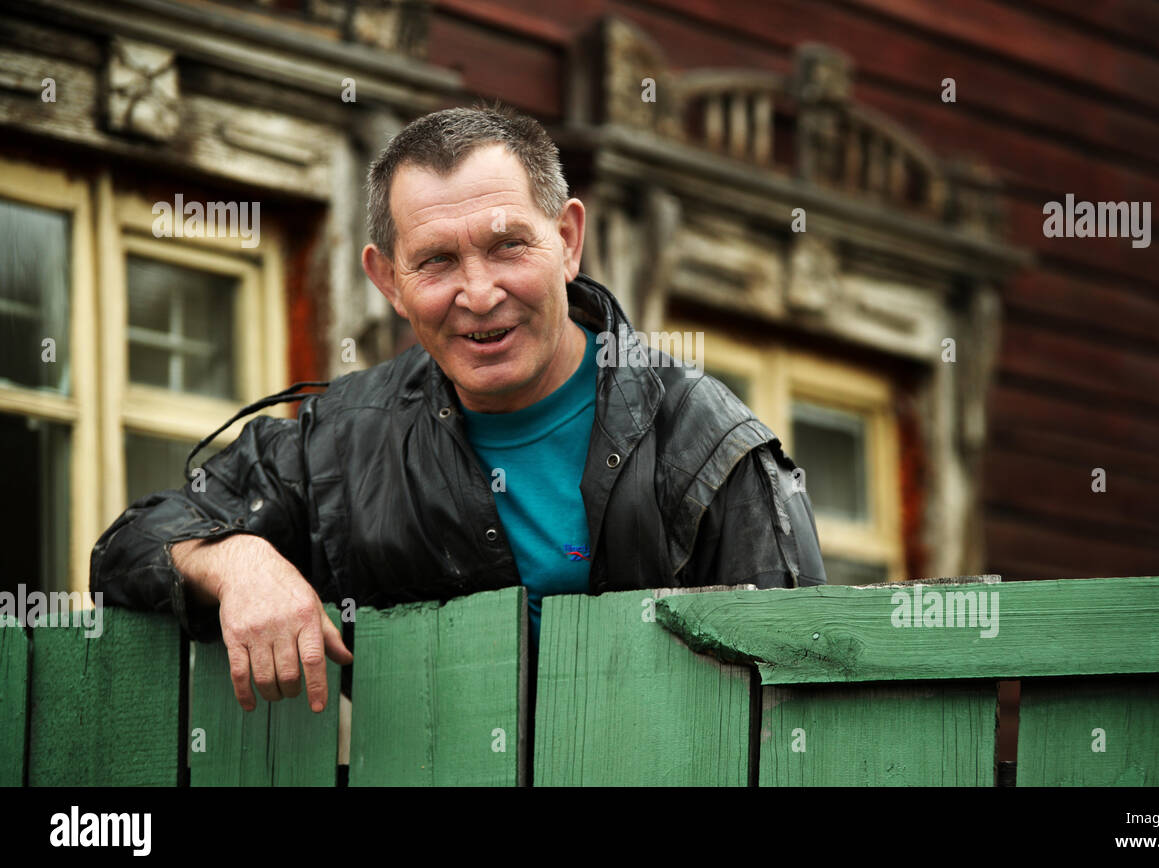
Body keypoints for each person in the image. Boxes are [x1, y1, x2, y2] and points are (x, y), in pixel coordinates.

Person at [90, 103, 825, 714]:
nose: (478, 293)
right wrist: (238, 562)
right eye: (437, 261)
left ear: (567, 241)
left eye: (508, 245)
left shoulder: (706, 444)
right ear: (388, 280)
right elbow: (129, 544)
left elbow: (799, 695)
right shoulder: (343, 445)